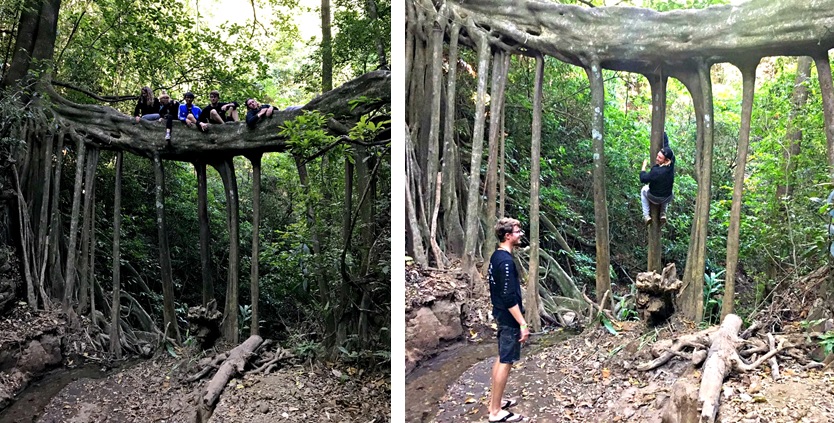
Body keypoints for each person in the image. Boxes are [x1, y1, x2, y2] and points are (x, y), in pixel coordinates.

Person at [486, 217, 528, 423]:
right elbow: (509, 296)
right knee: (506, 360)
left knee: (501, 356)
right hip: (508, 317)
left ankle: (495, 402)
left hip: (500, 314)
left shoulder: (496, 256)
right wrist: (522, 323)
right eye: (517, 231)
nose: (520, 234)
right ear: (507, 235)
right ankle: (495, 412)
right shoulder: (505, 262)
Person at [639, 133, 675, 226]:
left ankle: (646, 215)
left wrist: (643, 167)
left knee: (643, 190)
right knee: (669, 191)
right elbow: (667, 145)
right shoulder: (672, 162)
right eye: (658, 155)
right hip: (667, 197)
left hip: (654, 198)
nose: (657, 158)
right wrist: (664, 134)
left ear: (666, 160)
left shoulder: (656, 171)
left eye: (659, 157)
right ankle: (663, 213)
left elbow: (643, 179)